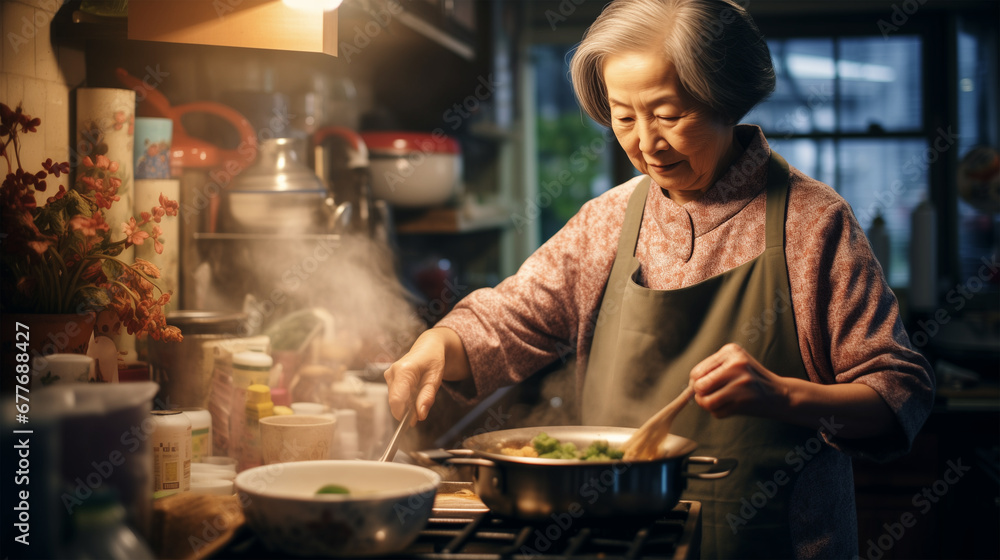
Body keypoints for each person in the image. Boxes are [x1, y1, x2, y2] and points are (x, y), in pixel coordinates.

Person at [385, 0, 935, 557]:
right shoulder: (608, 219)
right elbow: (512, 317)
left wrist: (784, 397)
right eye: (624, 117)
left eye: (668, 115)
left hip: (775, 542)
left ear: (725, 98)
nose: (646, 142)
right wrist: (441, 343)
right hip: (618, 540)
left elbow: (899, 394)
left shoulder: (812, 223)